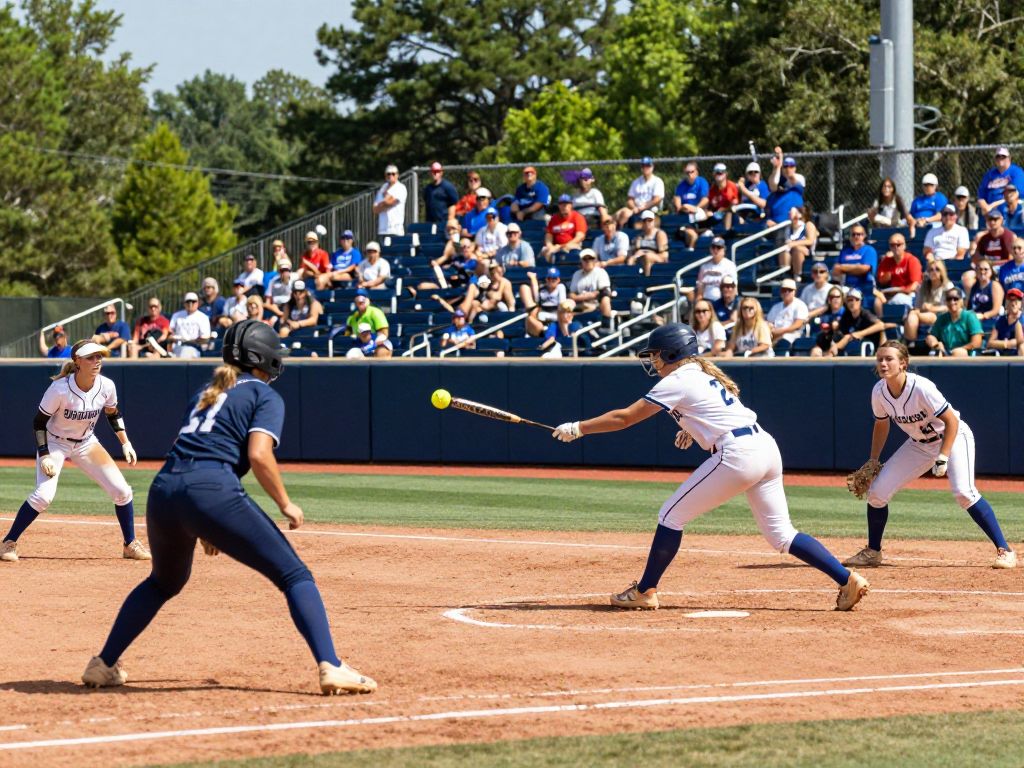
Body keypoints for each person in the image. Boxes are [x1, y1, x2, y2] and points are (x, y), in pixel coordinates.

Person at [79, 321, 377, 693]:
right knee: (295, 575)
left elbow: (189, 448)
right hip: (211, 490)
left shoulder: (208, 391)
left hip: (165, 490)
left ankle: (103, 663)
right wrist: (286, 503)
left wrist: (202, 523)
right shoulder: (265, 396)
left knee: (163, 582)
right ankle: (331, 665)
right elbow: (258, 454)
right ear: (264, 359)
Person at [551, 323, 869, 611]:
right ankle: (846, 578)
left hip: (738, 453)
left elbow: (626, 417)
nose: (654, 361)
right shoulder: (700, 375)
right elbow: (714, 412)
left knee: (670, 516)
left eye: (657, 354)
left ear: (672, 353)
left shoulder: (677, 379)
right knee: (782, 534)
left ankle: (645, 591)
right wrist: (691, 429)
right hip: (765, 448)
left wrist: (580, 427)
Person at [842, 340, 1015, 570]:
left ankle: (1006, 550)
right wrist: (874, 460)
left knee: (964, 492)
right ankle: (873, 551)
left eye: (889, 359)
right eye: (880, 359)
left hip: (952, 437)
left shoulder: (921, 387)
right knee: (877, 493)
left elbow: (951, 421)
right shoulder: (879, 392)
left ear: (903, 364)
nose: (883, 363)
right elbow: (881, 425)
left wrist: (943, 455)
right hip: (919, 445)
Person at [2, 340, 149, 564]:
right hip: (55, 442)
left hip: (86, 443)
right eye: (90, 357)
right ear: (77, 361)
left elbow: (112, 413)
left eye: (99, 356)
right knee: (43, 496)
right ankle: (8, 542)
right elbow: (39, 422)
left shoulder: (106, 385)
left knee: (122, 491)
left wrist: (125, 442)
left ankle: (130, 544)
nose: (97, 360)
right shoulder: (59, 389)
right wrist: (45, 454)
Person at [903, 260, 953, 343]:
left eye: (937, 269)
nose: (934, 272)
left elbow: (950, 307)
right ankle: (912, 342)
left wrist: (932, 308)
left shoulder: (948, 286)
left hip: (942, 316)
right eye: (931, 270)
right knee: (912, 314)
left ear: (942, 272)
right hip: (923, 314)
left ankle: (910, 342)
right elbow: (917, 306)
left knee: (913, 315)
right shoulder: (923, 287)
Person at [925, 287, 983, 357]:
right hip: (946, 353)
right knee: (935, 351)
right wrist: (936, 345)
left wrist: (955, 351)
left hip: (967, 354)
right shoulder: (942, 318)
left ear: (961, 301)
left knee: (958, 352)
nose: (952, 302)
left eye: (955, 299)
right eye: (949, 299)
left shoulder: (970, 316)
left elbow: (976, 343)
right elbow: (931, 336)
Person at [829, 288, 885, 356]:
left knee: (848, 337)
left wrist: (860, 333)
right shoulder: (846, 315)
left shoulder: (865, 314)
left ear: (860, 302)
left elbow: (881, 325)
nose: (853, 302)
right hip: (853, 347)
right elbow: (841, 332)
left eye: (856, 299)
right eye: (850, 300)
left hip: (869, 345)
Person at [614, 157, 664, 227]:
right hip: (636, 210)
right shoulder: (636, 182)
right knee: (622, 213)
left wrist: (643, 207)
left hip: (651, 211)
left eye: (648, 166)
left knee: (638, 222)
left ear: (652, 167)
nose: (645, 168)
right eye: (643, 166)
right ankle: (621, 233)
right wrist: (634, 207)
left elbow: (657, 199)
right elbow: (630, 199)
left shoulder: (657, 181)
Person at [875, 233, 922, 309]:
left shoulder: (912, 260)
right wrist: (890, 268)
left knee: (898, 298)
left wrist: (901, 290)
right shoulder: (886, 261)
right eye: (892, 245)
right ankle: (880, 320)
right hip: (891, 292)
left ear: (904, 245)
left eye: (898, 244)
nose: (895, 247)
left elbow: (915, 285)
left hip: (908, 293)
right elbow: (882, 281)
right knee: (877, 301)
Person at [976, 146, 1024, 217]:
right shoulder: (989, 174)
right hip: (990, 210)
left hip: (1008, 209)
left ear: (1009, 158)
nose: (1000, 159)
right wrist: (985, 207)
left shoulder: (1017, 172)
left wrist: (992, 206)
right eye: (998, 157)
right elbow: (981, 196)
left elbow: (1014, 195)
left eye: (1003, 156)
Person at [568, 249, 612, 323]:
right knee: (565, 305)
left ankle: (606, 324)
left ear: (594, 260)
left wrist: (588, 296)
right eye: (585, 259)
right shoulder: (577, 274)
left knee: (605, 299)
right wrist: (583, 297)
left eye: (590, 258)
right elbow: (572, 293)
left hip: (596, 304)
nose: (588, 261)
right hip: (581, 303)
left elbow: (603, 291)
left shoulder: (601, 272)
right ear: (581, 261)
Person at [672, 161, 710, 248]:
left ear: (697, 172)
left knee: (707, 233)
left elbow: (705, 199)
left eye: (692, 171)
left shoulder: (702, 182)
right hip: (686, 216)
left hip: (699, 214)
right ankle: (690, 253)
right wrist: (682, 208)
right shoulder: (681, 186)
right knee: (692, 235)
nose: (690, 174)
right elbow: (678, 202)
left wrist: (695, 208)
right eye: (687, 172)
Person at [521, 266, 567, 337]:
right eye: (549, 278)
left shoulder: (560, 287)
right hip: (543, 315)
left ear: (558, 280)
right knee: (529, 317)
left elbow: (562, 305)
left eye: (554, 279)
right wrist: (533, 279)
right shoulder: (542, 290)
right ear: (546, 279)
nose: (551, 281)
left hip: (557, 316)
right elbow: (537, 301)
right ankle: (536, 332)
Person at [345, 290, 392, 359]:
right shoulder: (352, 317)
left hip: (378, 343)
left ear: (368, 300)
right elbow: (347, 335)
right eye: (359, 301)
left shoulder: (375, 312)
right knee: (352, 354)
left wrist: (374, 345)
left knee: (381, 350)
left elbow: (384, 335)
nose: (361, 303)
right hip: (361, 345)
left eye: (363, 300)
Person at [541, 194, 587, 263]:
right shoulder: (554, 218)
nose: (563, 207)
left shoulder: (577, 216)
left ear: (570, 205)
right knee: (545, 250)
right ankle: (551, 270)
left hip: (572, 244)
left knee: (570, 248)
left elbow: (580, 237)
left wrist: (562, 246)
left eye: (566, 204)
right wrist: (549, 245)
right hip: (556, 246)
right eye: (561, 204)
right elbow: (549, 234)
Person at [832, 224, 877, 296]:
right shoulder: (844, 251)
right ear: (850, 237)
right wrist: (856, 267)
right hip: (845, 286)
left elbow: (864, 269)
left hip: (864, 287)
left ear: (864, 236)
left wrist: (844, 268)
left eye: (859, 234)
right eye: (853, 234)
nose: (856, 237)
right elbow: (836, 269)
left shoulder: (869, 250)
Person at [766, 278, 809, 349]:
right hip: (775, 334)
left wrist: (780, 331)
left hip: (793, 334)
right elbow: (770, 322)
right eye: (784, 290)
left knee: (783, 341)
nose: (786, 292)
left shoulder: (800, 305)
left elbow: (797, 325)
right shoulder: (776, 307)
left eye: (789, 290)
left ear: (794, 292)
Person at [765, 149, 805, 226]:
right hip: (775, 224)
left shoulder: (799, 178)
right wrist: (776, 168)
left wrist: (781, 159)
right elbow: (772, 185)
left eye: (791, 166)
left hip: (793, 223)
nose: (788, 168)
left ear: (795, 168)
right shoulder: (780, 179)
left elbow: (792, 179)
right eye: (786, 166)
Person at [168, 292, 212, 359]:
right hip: (177, 347)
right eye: (188, 302)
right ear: (184, 303)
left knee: (185, 352)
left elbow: (205, 339)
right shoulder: (176, 315)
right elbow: (170, 332)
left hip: (194, 348)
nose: (190, 304)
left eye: (193, 301)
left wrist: (189, 341)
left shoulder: (203, 318)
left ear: (198, 303)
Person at [780, 205, 818, 281]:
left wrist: (794, 244)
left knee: (797, 249)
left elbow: (810, 241)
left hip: (807, 252)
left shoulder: (808, 225)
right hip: (791, 252)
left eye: (792, 211)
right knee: (784, 248)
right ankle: (785, 273)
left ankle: (798, 275)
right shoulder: (789, 227)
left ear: (799, 214)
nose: (789, 212)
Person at [695, 237, 738, 303]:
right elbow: (700, 290)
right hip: (706, 301)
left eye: (718, 247)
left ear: (724, 249)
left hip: (723, 301)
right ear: (710, 249)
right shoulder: (704, 267)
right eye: (713, 247)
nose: (715, 250)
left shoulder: (730, 265)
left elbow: (734, 289)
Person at [809, 287, 847, 357]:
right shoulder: (824, 316)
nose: (835, 299)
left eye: (838, 297)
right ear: (829, 300)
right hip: (825, 345)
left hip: (842, 346)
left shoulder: (847, 314)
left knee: (830, 352)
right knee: (815, 351)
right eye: (832, 297)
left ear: (842, 299)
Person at [629, 209, 669, 276]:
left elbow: (664, 255)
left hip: (656, 258)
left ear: (653, 221)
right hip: (640, 258)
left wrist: (647, 253)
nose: (647, 223)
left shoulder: (659, 234)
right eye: (645, 221)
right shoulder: (639, 237)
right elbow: (633, 251)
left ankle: (646, 279)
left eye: (650, 220)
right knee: (630, 259)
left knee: (647, 257)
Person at [373, 164, 407, 236]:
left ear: (397, 175)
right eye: (388, 174)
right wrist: (386, 202)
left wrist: (382, 204)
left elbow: (390, 202)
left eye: (393, 174)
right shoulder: (382, 188)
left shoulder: (401, 188)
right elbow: (375, 209)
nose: (390, 175)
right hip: (382, 230)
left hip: (395, 230)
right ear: (385, 175)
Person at [987, 287, 1023, 354]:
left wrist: (1017, 342)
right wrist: (1007, 344)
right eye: (1011, 300)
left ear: (1021, 304)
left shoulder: (1022, 319)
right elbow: (990, 343)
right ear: (1006, 303)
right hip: (1002, 355)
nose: (1013, 303)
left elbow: (1020, 341)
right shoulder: (1001, 320)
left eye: (1016, 300)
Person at [422, 161, 458, 226]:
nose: (435, 173)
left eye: (437, 171)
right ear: (430, 173)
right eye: (433, 171)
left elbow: (453, 204)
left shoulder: (448, 187)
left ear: (441, 173)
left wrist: (450, 220)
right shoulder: (428, 188)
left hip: (444, 222)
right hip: (430, 223)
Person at [707, 163, 739, 231]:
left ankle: (725, 233)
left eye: (721, 172)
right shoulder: (712, 189)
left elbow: (734, 204)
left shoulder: (731, 186)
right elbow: (710, 205)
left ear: (726, 174)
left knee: (729, 212)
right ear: (713, 174)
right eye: (717, 173)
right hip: (716, 215)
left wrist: (722, 209)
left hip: (731, 215)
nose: (719, 174)